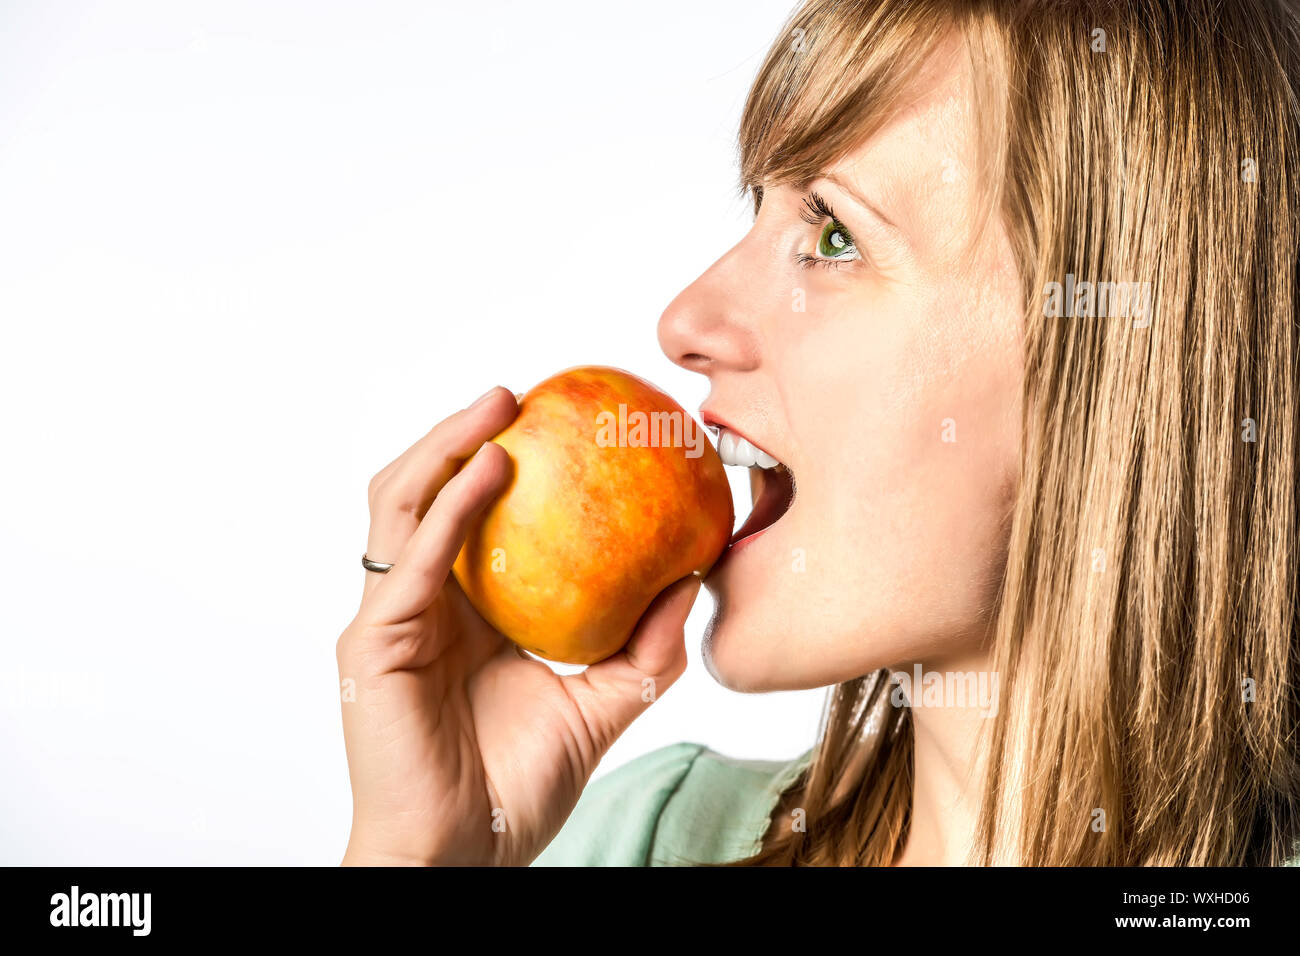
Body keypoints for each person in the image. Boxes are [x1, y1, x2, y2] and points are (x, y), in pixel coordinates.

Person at [336, 0, 1300, 866]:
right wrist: (420, 855)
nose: (684, 319)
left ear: (1118, 355)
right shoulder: (646, 839)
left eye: (834, 235)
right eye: (759, 206)